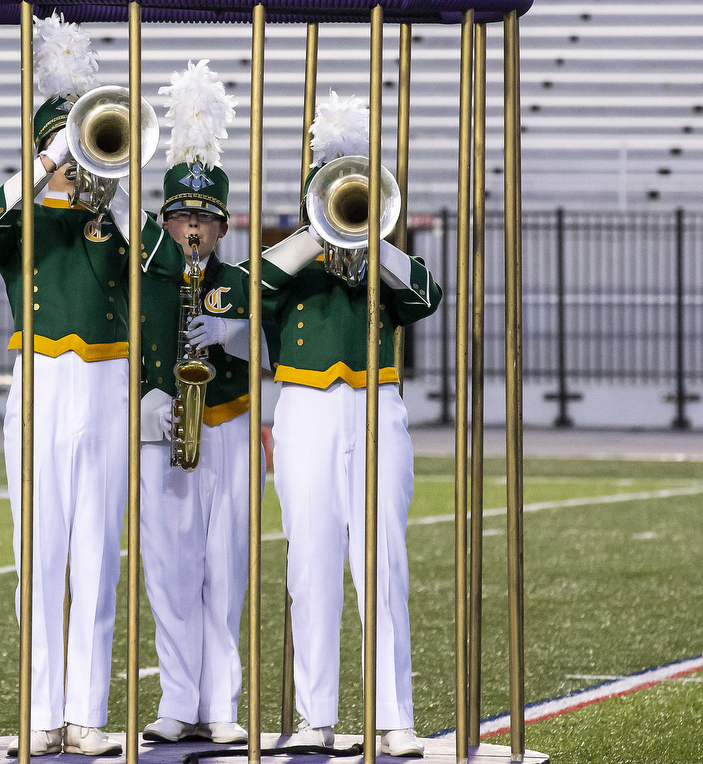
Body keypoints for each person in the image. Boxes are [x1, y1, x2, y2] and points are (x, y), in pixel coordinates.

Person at [0, 15, 183, 758]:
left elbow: (162, 274)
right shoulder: (22, 221)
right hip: (41, 382)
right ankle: (40, 711)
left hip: (108, 385)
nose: (81, 158)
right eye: (69, 145)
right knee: (38, 551)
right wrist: (48, 159)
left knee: (95, 553)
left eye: (85, 142)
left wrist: (110, 197)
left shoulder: (115, 226)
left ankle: (85, 714)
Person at [134, 60, 323, 746]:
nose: (192, 227)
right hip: (166, 433)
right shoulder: (144, 278)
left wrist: (231, 331)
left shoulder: (244, 279)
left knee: (226, 570)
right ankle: (176, 699)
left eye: (204, 219)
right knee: (168, 570)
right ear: (165, 221)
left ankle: (220, 703)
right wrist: (146, 404)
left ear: (222, 228)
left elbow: (278, 317)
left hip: (232, 431)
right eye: (181, 216)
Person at [270, 92, 443, 758]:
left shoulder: (383, 262)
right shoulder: (290, 261)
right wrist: (316, 237)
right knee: (310, 564)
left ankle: (394, 717)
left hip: (376, 406)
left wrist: (373, 240)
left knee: (383, 561)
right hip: (305, 408)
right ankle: (316, 716)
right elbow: (241, 287)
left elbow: (428, 294)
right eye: (335, 196)